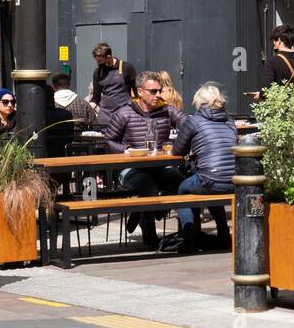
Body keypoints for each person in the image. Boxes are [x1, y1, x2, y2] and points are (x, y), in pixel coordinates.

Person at [101, 70, 187, 249]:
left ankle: (143, 213)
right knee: (148, 189)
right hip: (130, 168)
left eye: (159, 90)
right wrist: (126, 150)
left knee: (183, 185)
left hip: (160, 166)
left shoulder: (167, 110)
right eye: (153, 91)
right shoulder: (124, 113)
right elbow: (108, 141)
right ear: (140, 92)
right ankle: (150, 239)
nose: (158, 95)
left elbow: (187, 124)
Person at [173, 83, 237, 251]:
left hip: (210, 178)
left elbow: (177, 151)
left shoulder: (193, 121)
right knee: (212, 190)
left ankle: (189, 238)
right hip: (234, 180)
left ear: (199, 103)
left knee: (181, 190)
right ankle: (223, 235)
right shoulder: (230, 121)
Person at [258, 24, 294, 101]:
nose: (273, 43)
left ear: (279, 40)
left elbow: (265, 92)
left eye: (274, 40)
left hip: (279, 111)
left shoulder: (272, 63)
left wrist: (258, 95)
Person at [89, 43, 137, 116]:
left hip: (124, 115)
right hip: (105, 116)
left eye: (100, 61)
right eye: (97, 61)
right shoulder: (98, 72)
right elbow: (96, 98)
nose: (98, 63)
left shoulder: (126, 68)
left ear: (108, 57)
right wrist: (87, 109)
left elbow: (136, 92)